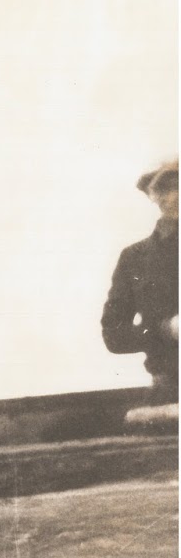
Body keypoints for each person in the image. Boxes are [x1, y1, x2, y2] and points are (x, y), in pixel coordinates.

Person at [102, 160, 179, 402]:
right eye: (167, 189)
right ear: (153, 196)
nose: (176, 196)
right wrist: (164, 330)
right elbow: (113, 333)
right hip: (169, 390)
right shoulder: (135, 258)